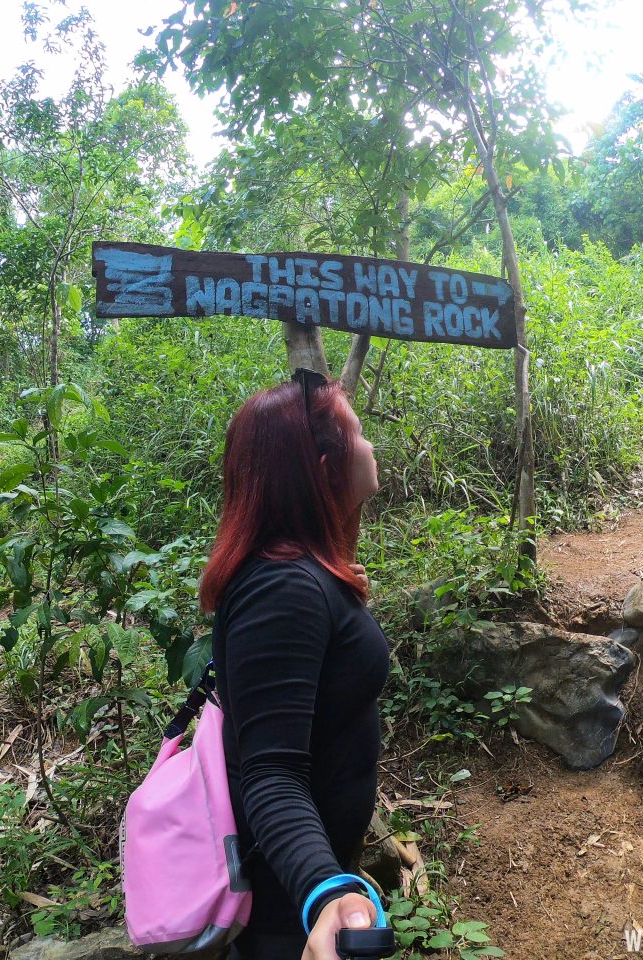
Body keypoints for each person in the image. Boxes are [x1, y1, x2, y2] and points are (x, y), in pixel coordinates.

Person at [198, 368, 388, 960]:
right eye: (361, 434)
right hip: (286, 904)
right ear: (326, 469)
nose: (372, 446)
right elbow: (272, 773)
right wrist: (323, 891)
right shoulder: (284, 589)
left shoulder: (302, 575)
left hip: (308, 867)